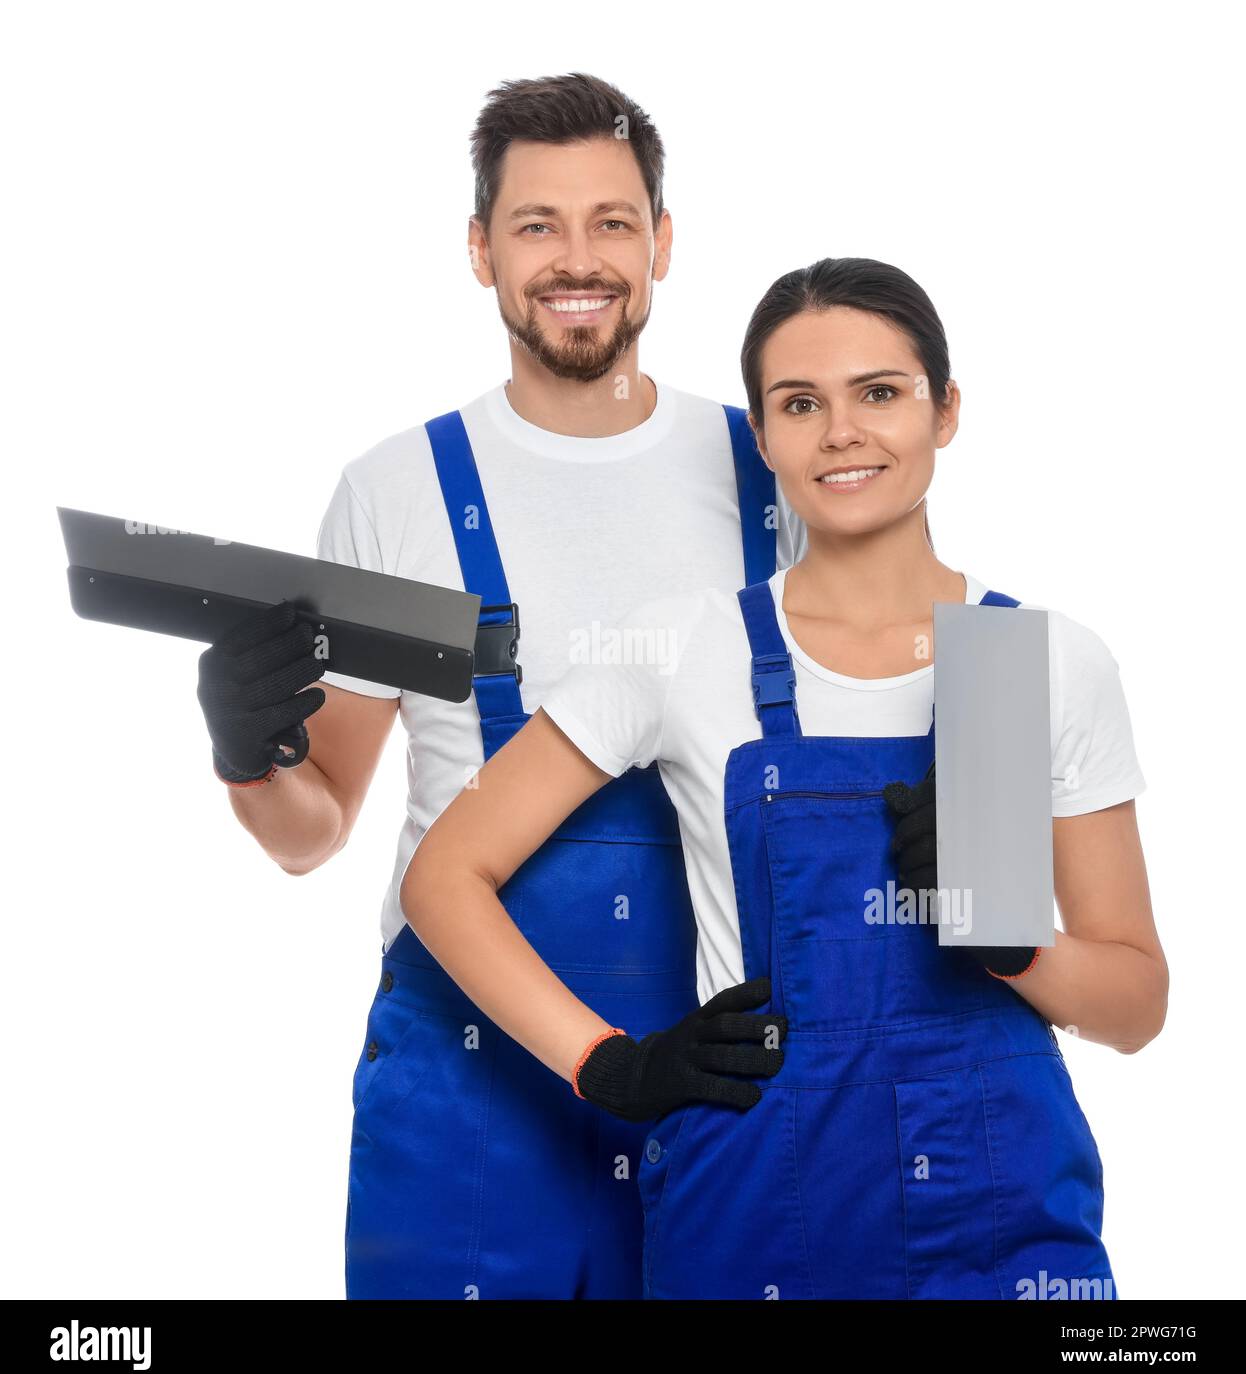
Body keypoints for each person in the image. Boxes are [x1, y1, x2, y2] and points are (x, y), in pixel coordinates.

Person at [403, 256, 1168, 1300]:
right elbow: (445, 875)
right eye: (799, 404)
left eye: (879, 394)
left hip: (1002, 1205)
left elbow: (1134, 1002)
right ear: (760, 438)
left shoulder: (1027, 661)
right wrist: (612, 1065)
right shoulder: (682, 647)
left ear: (944, 411)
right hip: (760, 1203)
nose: (841, 432)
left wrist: (1015, 944)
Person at [194, 72, 806, 1300]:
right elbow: (314, 833)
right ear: (480, 249)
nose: (576, 260)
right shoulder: (396, 489)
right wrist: (248, 749)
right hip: (462, 1089)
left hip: (722, 1061)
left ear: (663, 242)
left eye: (611, 221)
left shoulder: (783, 463)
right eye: (536, 224)